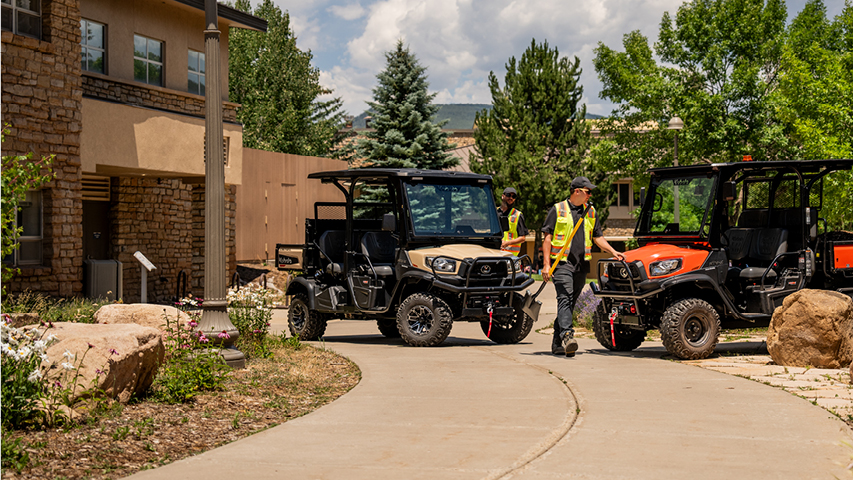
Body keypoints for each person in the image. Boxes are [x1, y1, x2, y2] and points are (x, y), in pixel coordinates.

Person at [541, 176, 625, 357]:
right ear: (577, 191)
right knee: (564, 297)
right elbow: (547, 238)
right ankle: (567, 336)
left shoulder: (591, 211)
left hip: (581, 264)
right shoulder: (558, 209)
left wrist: (612, 251)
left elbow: (597, 237)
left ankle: (557, 343)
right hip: (561, 263)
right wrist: (546, 265)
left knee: (570, 302)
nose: (590, 195)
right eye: (588, 191)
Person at [497, 187, 529, 257]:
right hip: (495, 252)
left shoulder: (518, 215)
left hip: (511, 256)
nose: (511, 198)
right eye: (508, 195)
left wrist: (507, 243)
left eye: (513, 196)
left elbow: (522, 238)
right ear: (503, 196)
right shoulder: (494, 213)